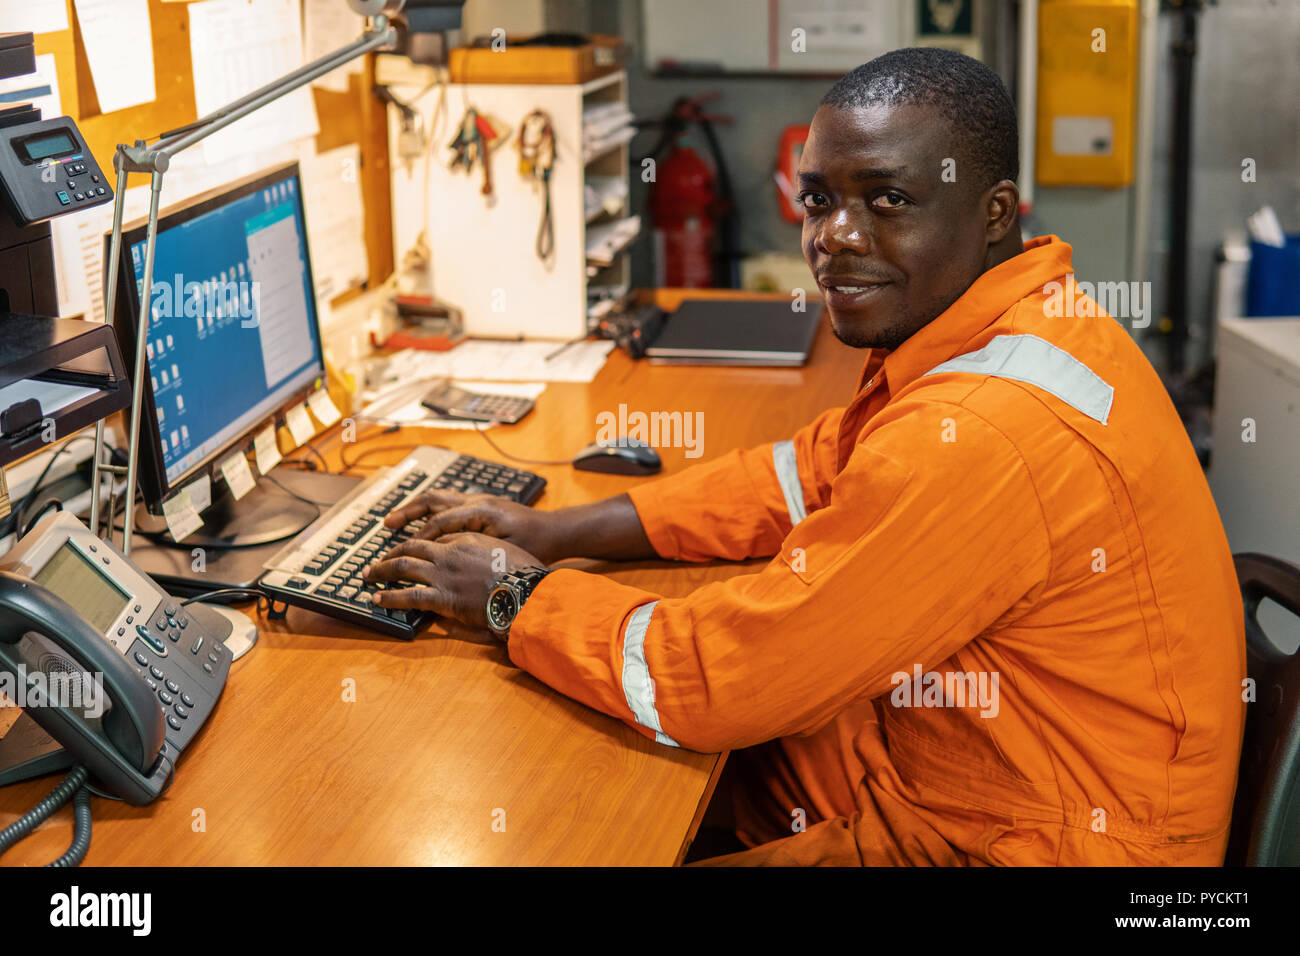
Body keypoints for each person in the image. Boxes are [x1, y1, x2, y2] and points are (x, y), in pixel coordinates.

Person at [364, 48, 1246, 866]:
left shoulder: (984, 429)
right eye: (819, 200)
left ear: (995, 216)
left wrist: (515, 597)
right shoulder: (1012, 323)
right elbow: (806, 470)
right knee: (611, 778)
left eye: (887, 201)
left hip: (1037, 842)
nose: (836, 237)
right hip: (980, 755)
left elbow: (721, 682)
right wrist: (553, 531)